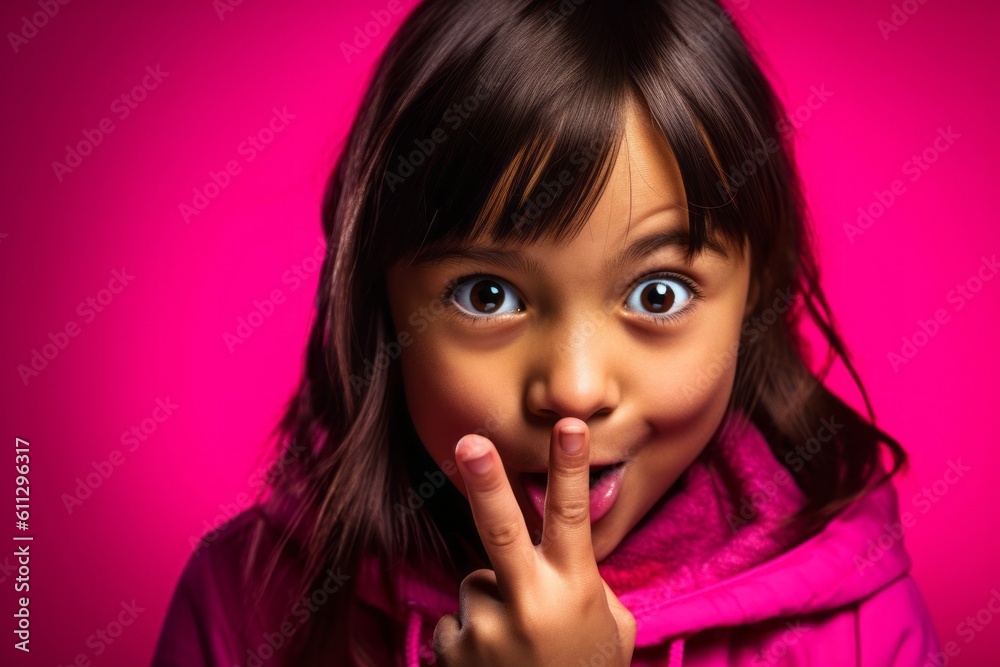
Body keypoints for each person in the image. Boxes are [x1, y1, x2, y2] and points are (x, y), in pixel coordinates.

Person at [152, 0, 942, 664]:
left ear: (755, 291)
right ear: (380, 301)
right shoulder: (244, 606)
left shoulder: (857, 628)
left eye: (658, 293)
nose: (573, 388)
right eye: (488, 294)